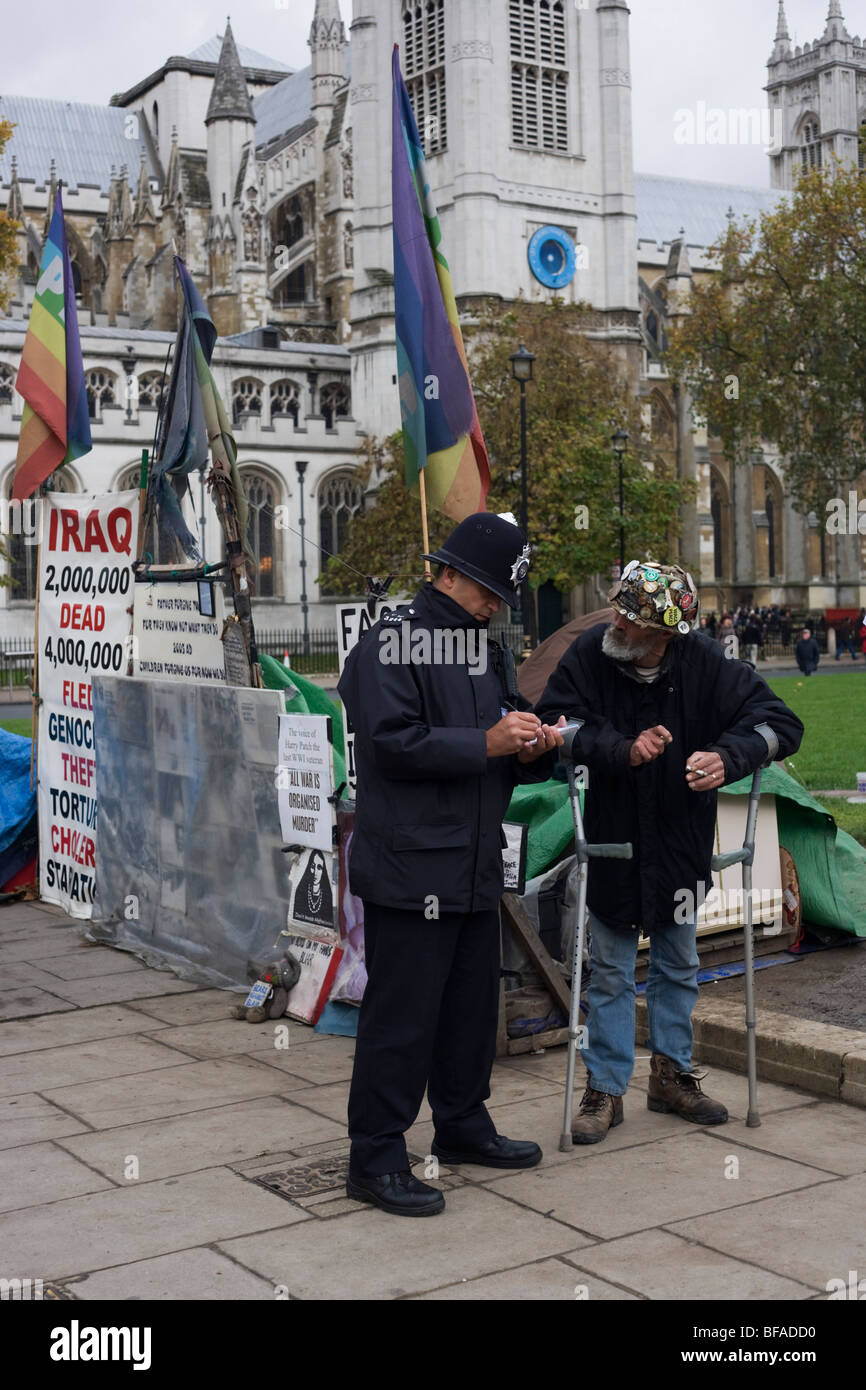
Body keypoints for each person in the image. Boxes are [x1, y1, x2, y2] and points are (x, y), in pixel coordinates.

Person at [338, 514, 564, 1216]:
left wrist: (533, 745)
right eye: (489, 589)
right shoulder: (389, 642)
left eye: (504, 593)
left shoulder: (485, 647)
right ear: (448, 573)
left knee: (471, 1007)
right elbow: (389, 743)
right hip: (410, 869)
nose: (496, 603)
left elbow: (506, 723)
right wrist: (487, 744)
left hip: (471, 861)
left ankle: (463, 1123)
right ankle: (375, 1157)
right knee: (402, 1018)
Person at [535, 560, 803, 1144]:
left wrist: (727, 758)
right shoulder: (589, 654)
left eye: (632, 621)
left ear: (665, 637)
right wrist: (620, 749)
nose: (618, 624)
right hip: (612, 842)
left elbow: (781, 722)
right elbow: (554, 728)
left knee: (678, 964)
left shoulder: (705, 662)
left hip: (680, 845)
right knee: (608, 970)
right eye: (620, 612)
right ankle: (605, 1086)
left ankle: (671, 1075)